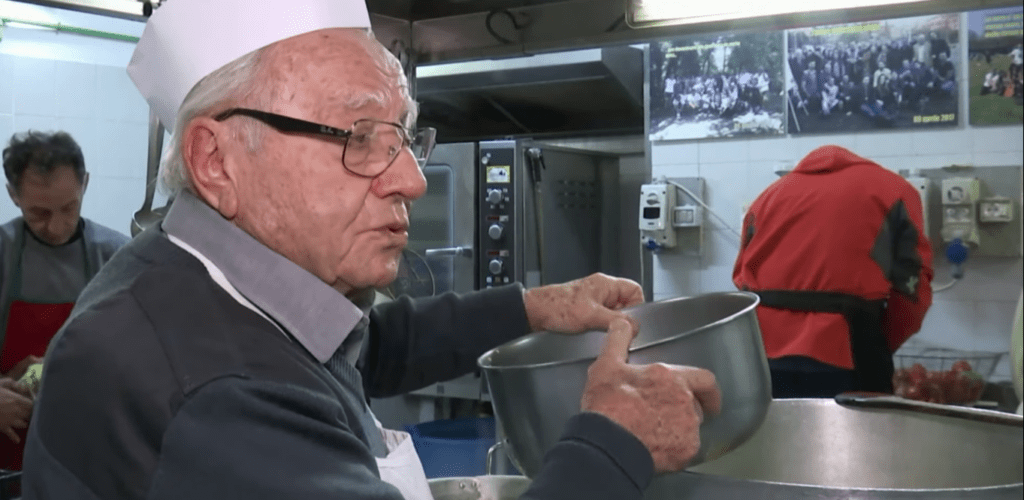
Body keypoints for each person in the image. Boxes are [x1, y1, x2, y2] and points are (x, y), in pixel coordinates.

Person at [22, 1, 721, 499]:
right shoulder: (213, 400)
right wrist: (613, 441)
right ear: (216, 160)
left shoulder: (190, 281)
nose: (411, 180)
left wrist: (534, 307)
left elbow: (366, 346)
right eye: (358, 136)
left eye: (401, 136)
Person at [733, 145, 933, 398]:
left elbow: (742, 278)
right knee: (858, 436)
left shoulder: (769, 196)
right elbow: (912, 290)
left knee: (776, 435)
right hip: (849, 350)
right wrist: (880, 344)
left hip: (762, 355)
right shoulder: (895, 191)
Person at [1, 130, 129, 471]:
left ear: (85, 183)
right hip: (9, 445)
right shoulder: (2, 253)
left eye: (69, 208)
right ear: (13, 195)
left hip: (86, 445)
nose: (57, 227)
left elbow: (138, 359)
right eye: (39, 213)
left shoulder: (117, 257)